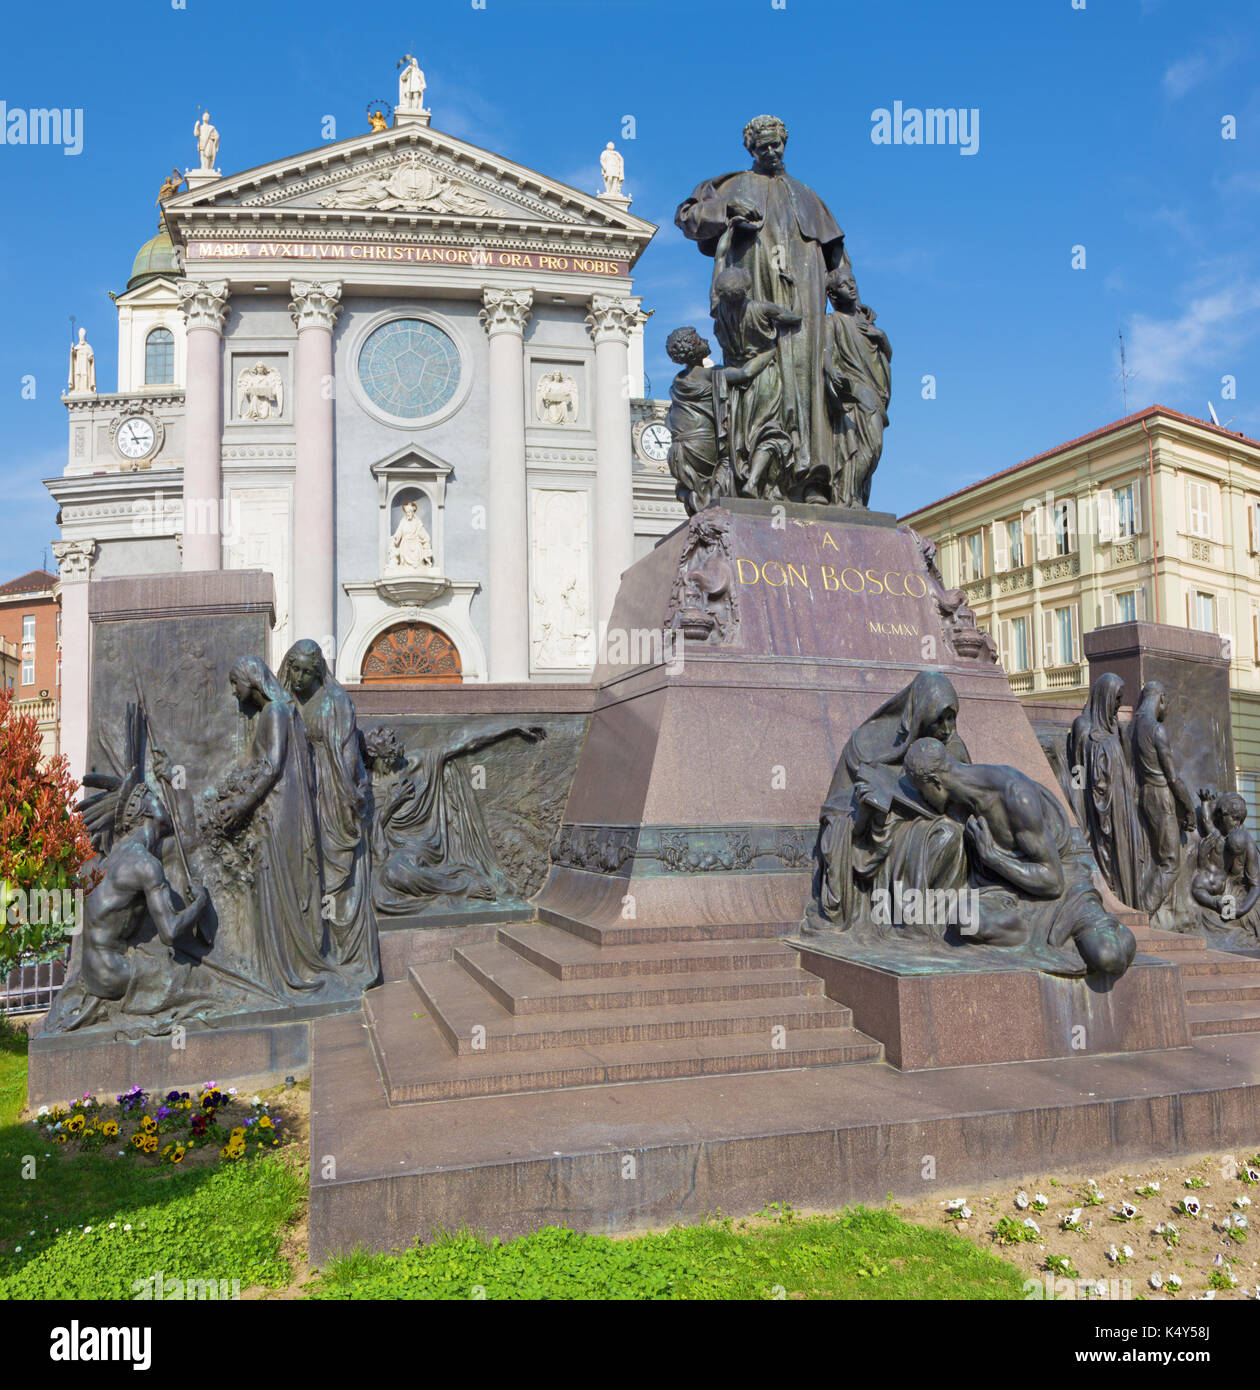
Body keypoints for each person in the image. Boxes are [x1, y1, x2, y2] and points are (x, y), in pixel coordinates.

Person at [676, 114, 849, 494]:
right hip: (754, 298)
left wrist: (847, 298)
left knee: (807, 383)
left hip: (804, 301)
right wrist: (726, 210)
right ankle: (757, 477)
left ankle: (811, 479)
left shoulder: (806, 194)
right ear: (750, 149)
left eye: (777, 144)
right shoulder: (732, 185)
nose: (772, 152)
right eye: (763, 146)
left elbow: (837, 256)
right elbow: (687, 217)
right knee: (762, 382)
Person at [902, 738, 1136, 978]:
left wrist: (993, 858)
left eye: (923, 792)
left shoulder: (1014, 795)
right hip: (1001, 890)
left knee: (1108, 957)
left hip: (1060, 892)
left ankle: (1090, 926)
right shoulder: (961, 796)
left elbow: (1053, 881)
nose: (924, 799)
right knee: (966, 918)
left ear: (935, 782)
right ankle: (1032, 937)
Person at [809, 672, 971, 934]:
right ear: (919, 715)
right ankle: (914, 925)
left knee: (950, 834)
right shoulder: (867, 742)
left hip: (931, 832)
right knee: (945, 835)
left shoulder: (952, 748)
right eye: (937, 720)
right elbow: (835, 811)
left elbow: (968, 803)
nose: (947, 730)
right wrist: (866, 811)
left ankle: (940, 926)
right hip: (878, 838)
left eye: (951, 717)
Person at [213, 656, 333, 997]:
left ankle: (287, 968)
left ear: (251, 680)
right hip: (282, 805)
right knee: (279, 882)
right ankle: (283, 966)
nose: (234, 692)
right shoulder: (282, 710)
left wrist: (242, 804)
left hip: (279, 809)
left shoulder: (276, 712)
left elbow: (271, 765)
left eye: (235, 683)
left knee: (278, 882)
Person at [279, 640, 380, 988]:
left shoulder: (336, 701)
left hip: (331, 796)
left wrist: (349, 795)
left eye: (308, 671)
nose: (301, 677)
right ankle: (309, 946)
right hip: (299, 796)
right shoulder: (285, 701)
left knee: (335, 872)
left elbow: (348, 754)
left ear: (319, 671)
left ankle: (344, 951)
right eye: (296, 669)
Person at [710, 265, 800, 497]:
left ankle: (750, 478)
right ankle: (753, 481)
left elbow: (720, 259)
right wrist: (794, 289)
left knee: (746, 434)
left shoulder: (719, 312)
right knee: (769, 429)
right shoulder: (761, 308)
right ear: (747, 288)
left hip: (738, 384)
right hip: (765, 374)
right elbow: (794, 317)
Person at [1066, 673, 1145, 907]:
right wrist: (1077, 806)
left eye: (1121, 699)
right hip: (1097, 806)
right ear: (1104, 697)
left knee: (1128, 858)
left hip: (1122, 807)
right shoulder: (1083, 726)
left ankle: (1130, 905)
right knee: (1106, 856)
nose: (1119, 705)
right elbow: (1077, 771)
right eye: (1116, 699)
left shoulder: (1114, 728)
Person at [822, 268, 891, 506]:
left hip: (875, 391)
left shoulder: (866, 323)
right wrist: (832, 370)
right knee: (871, 446)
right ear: (832, 295)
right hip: (855, 390)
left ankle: (857, 498)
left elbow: (886, 356)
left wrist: (880, 336)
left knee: (873, 448)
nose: (851, 286)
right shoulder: (831, 322)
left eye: (852, 282)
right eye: (844, 284)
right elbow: (827, 354)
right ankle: (846, 496)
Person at [1131, 680, 1196, 913]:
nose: (1166, 709)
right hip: (1160, 796)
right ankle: (1143, 914)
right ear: (1160, 699)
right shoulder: (1156, 730)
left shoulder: (1131, 727)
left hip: (1143, 795)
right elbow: (1173, 777)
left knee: (1155, 858)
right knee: (1170, 863)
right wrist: (1188, 807)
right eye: (1166, 703)